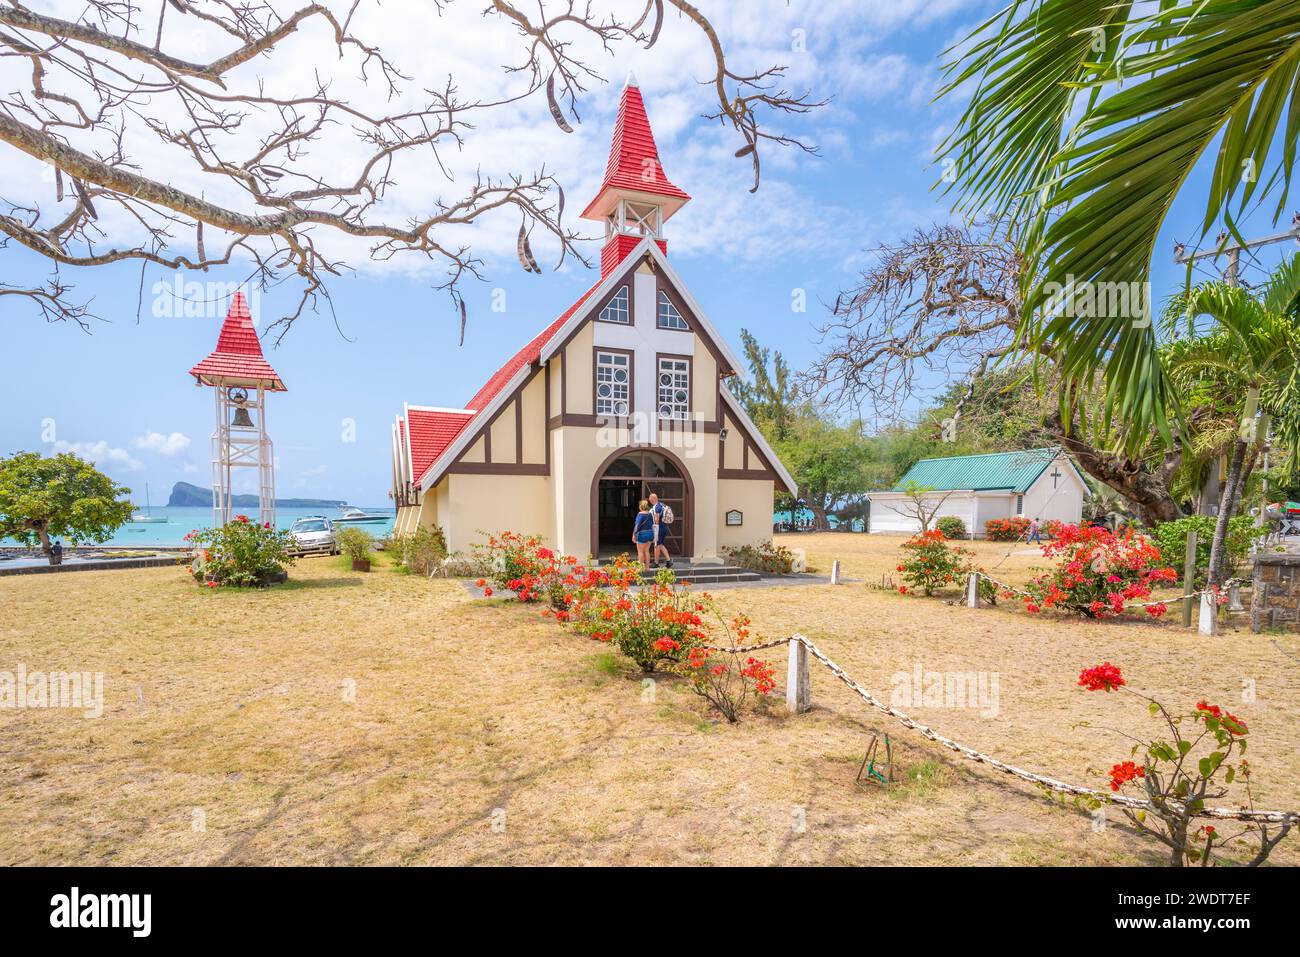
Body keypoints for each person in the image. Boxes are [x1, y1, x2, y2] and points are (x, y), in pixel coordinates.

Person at [648, 491, 672, 569]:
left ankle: (656, 563)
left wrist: (656, 528)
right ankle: (669, 561)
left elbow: (657, 517)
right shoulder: (662, 505)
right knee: (661, 545)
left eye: (650, 499)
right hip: (664, 527)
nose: (649, 500)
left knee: (656, 545)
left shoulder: (656, 506)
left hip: (659, 528)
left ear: (653, 499)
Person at [632, 500, 655, 569]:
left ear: (641, 506)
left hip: (642, 534)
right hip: (650, 533)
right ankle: (647, 567)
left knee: (640, 552)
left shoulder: (640, 514)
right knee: (647, 551)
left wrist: (634, 535)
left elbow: (637, 526)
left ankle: (640, 568)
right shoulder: (650, 514)